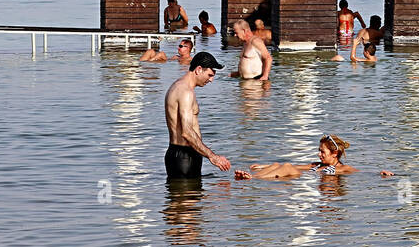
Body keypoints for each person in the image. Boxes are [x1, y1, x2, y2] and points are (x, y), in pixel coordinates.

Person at [164, 52, 231, 179]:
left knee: (187, 196)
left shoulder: (177, 86)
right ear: (199, 69)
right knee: (187, 198)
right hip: (184, 156)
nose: (211, 80)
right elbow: (187, 132)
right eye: (210, 75)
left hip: (179, 154)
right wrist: (213, 157)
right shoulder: (186, 92)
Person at [234, 135, 394, 180]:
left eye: (322, 152)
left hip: (301, 180)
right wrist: (263, 165)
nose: (319, 154)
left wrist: (379, 173)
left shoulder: (342, 169)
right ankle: (254, 176)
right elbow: (298, 166)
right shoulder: (317, 165)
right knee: (282, 163)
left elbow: (360, 172)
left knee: (288, 166)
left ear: (334, 154)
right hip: (301, 177)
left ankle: (252, 178)